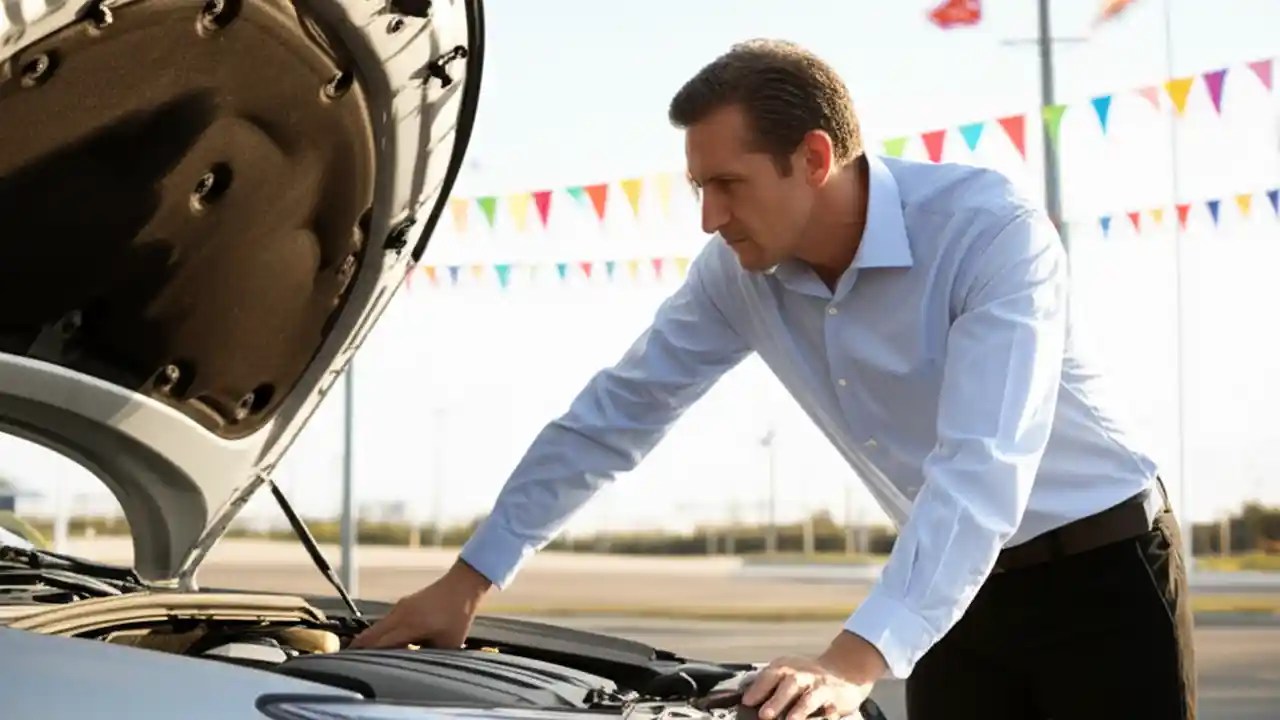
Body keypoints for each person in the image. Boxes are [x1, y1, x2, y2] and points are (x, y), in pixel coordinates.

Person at [353, 39, 1196, 720]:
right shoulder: (735, 274)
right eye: (698, 188)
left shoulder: (989, 234)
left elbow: (981, 468)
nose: (709, 218)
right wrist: (468, 582)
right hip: (950, 596)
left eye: (727, 185)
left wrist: (851, 663)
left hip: (1104, 576)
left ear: (814, 157)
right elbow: (617, 414)